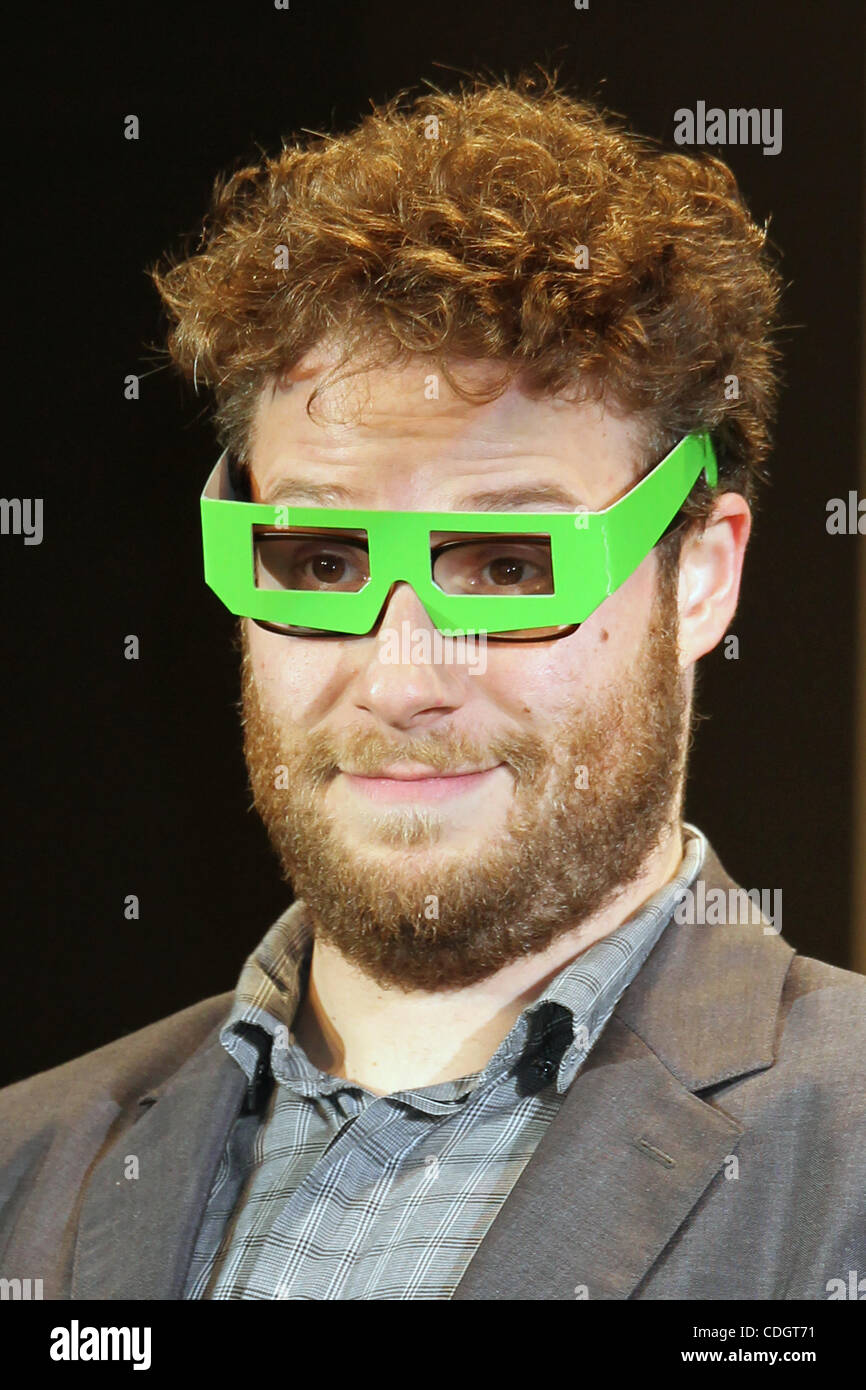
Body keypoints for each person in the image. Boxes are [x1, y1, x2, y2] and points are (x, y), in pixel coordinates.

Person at [1, 73, 863, 1302]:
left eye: (509, 565)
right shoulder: (26, 1166)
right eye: (322, 559)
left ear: (700, 578)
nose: (402, 677)